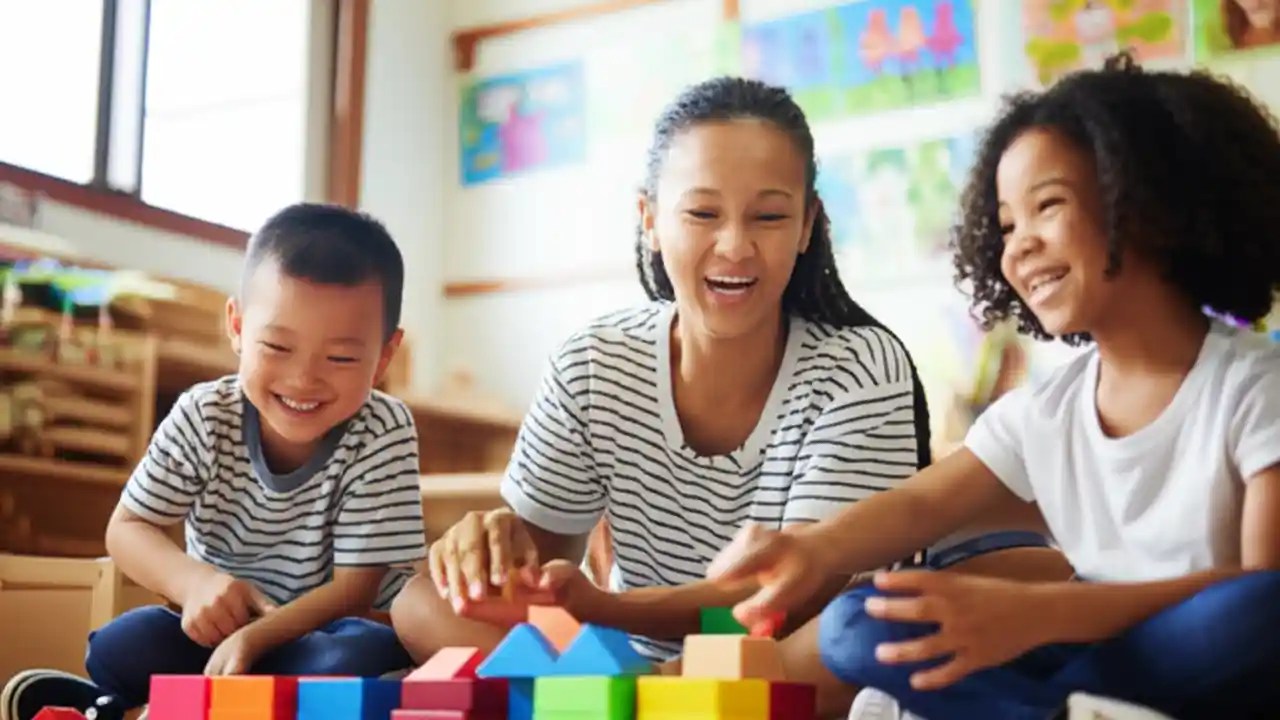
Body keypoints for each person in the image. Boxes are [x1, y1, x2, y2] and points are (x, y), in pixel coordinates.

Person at [391, 77, 1063, 717]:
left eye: (769, 216)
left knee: (866, 624)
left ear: (806, 226)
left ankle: (641, 699)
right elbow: (534, 567)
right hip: (618, 658)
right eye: (702, 213)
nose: (736, 247)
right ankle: (623, 699)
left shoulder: (860, 368)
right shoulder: (593, 362)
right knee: (418, 601)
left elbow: (787, 604)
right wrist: (489, 551)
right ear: (650, 219)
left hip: (771, 659)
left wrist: (606, 612)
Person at [707, 54, 1280, 720]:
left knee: (1265, 608)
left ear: (1148, 204)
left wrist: (1041, 611)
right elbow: (920, 509)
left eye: (1048, 207)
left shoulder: (1254, 388)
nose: (1019, 247)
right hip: (1090, 667)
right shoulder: (1045, 412)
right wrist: (812, 548)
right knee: (858, 624)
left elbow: (1258, 601)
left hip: (1206, 661)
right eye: (1007, 226)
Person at [1, 204, 427, 720]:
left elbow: (355, 591)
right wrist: (194, 584)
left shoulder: (383, 429)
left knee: (367, 653)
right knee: (120, 645)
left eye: (340, 358)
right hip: (214, 642)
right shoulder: (206, 413)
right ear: (237, 327)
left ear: (384, 356)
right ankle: (109, 706)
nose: (303, 380)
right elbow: (128, 528)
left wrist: (256, 638)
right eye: (276, 346)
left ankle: (175, 706)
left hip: (319, 638)